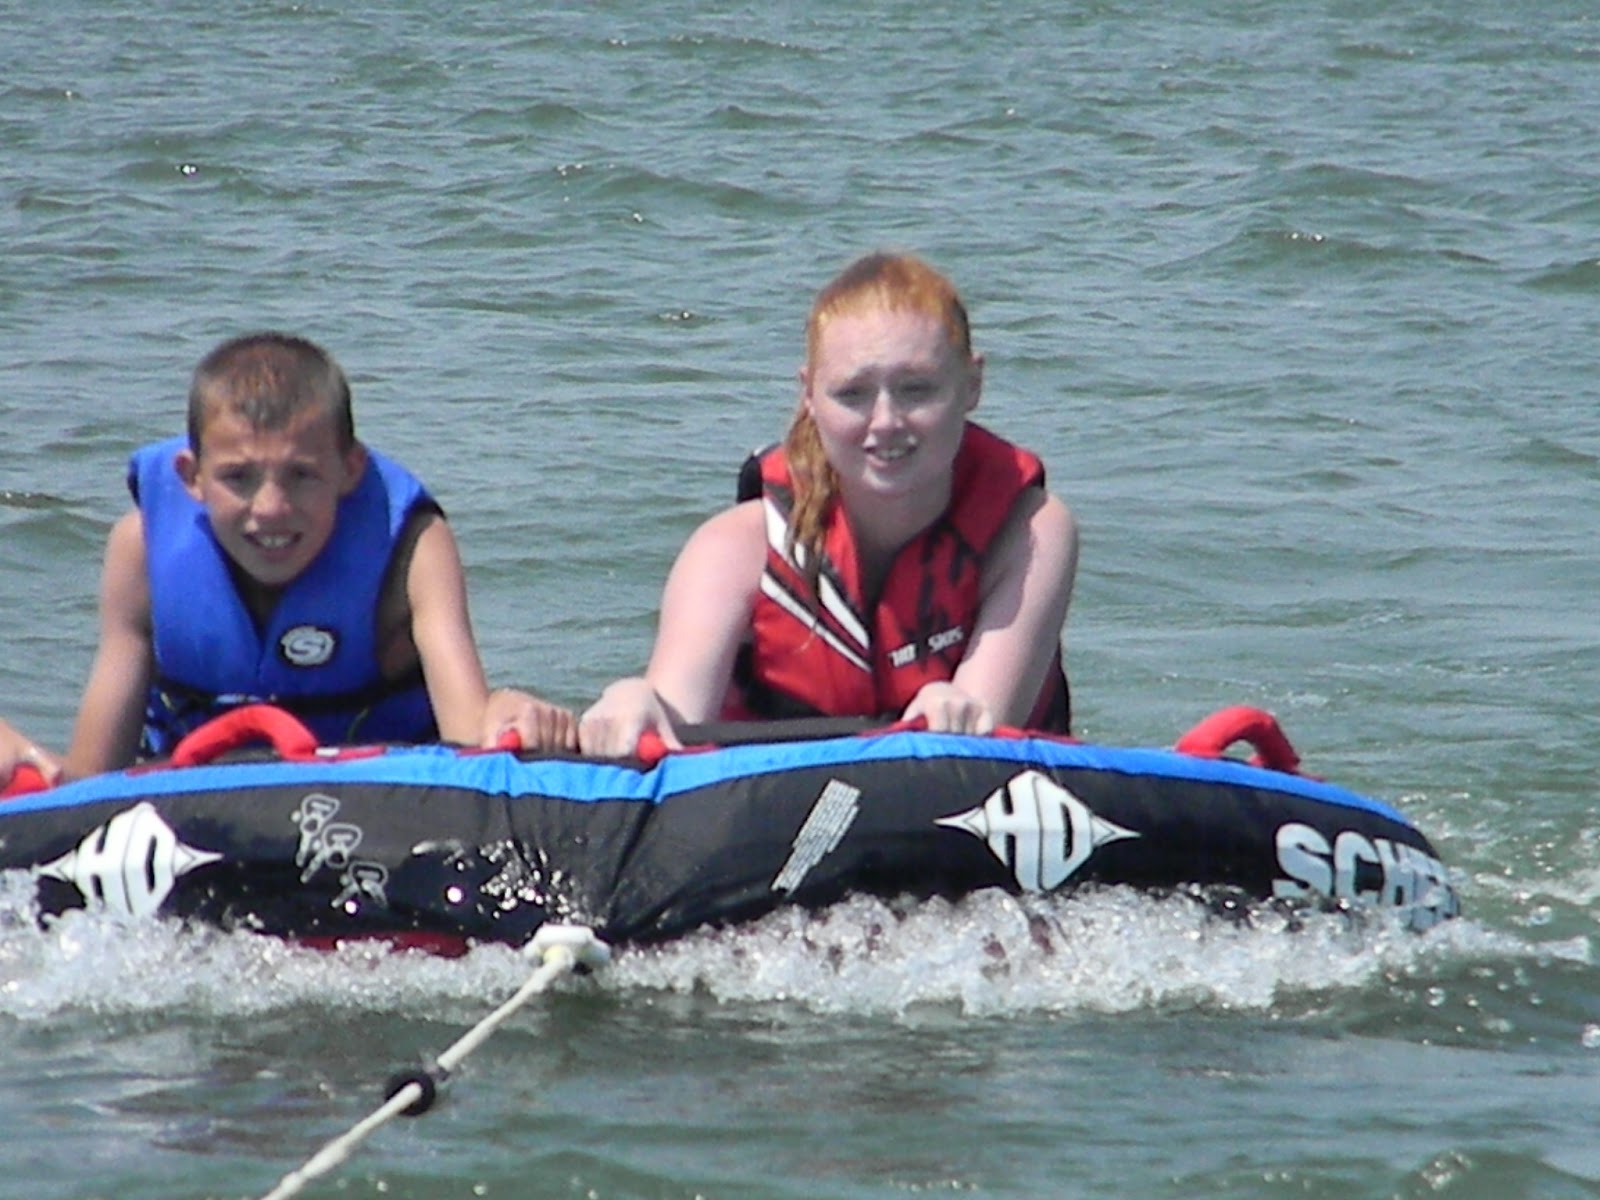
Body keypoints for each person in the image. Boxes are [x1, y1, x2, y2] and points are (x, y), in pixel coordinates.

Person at [579, 251, 1078, 758]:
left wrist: (954, 709)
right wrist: (636, 702)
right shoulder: (732, 548)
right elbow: (673, 723)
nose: (885, 421)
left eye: (917, 390)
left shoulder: (1033, 530)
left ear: (972, 385)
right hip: (776, 800)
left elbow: (983, 733)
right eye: (852, 394)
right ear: (809, 396)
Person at [53, 332, 572, 782]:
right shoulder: (140, 548)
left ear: (349, 470)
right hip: (193, 812)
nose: (271, 508)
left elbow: (470, 747)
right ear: (192, 476)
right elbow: (90, 780)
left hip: (377, 805)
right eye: (238, 478)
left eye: (301, 475)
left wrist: (504, 713)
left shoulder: (412, 549)